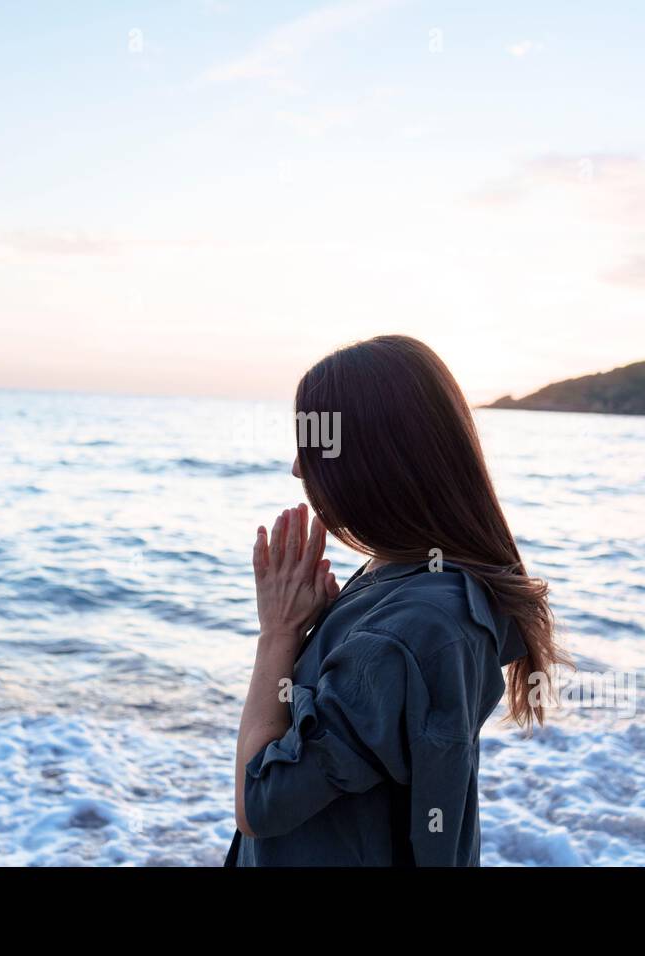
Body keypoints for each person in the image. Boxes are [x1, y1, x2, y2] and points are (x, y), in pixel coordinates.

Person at [227, 335, 566, 866]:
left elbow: (259, 803)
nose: (297, 467)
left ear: (372, 457)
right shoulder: (418, 579)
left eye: (312, 444)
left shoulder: (409, 626)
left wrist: (278, 634)